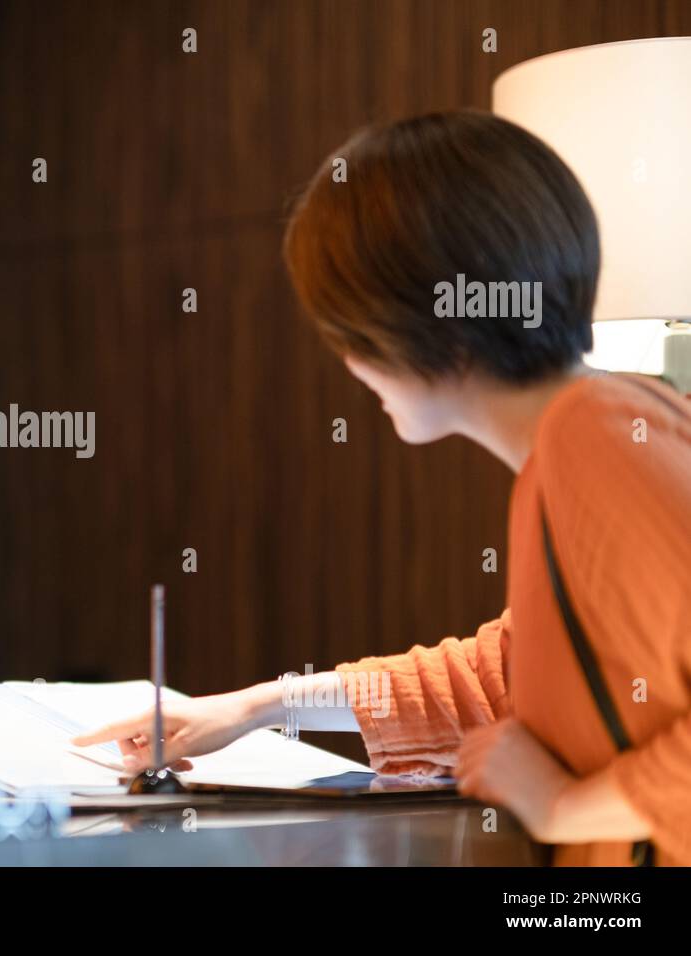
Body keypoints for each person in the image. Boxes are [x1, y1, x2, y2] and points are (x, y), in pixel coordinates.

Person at [72, 110, 691, 866]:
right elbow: (501, 677)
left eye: (349, 329)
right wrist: (250, 710)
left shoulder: (595, 441)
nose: (348, 363)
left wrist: (563, 807)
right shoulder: (597, 431)